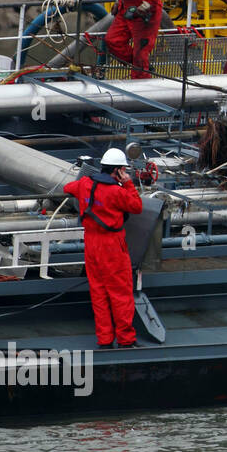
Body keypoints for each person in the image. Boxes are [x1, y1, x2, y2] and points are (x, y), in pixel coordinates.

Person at [63, 148, 144, 349]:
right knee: (120, 294)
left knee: (98, 293)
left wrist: (87, 181)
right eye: (123, 170)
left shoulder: (84, 184)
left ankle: (105, 340)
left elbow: (67, 188)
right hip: (112, 246)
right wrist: (128, 183)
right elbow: (137, 206)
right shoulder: (117, 191)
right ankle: (126, 340)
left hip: (91, 245)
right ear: (117, 170)